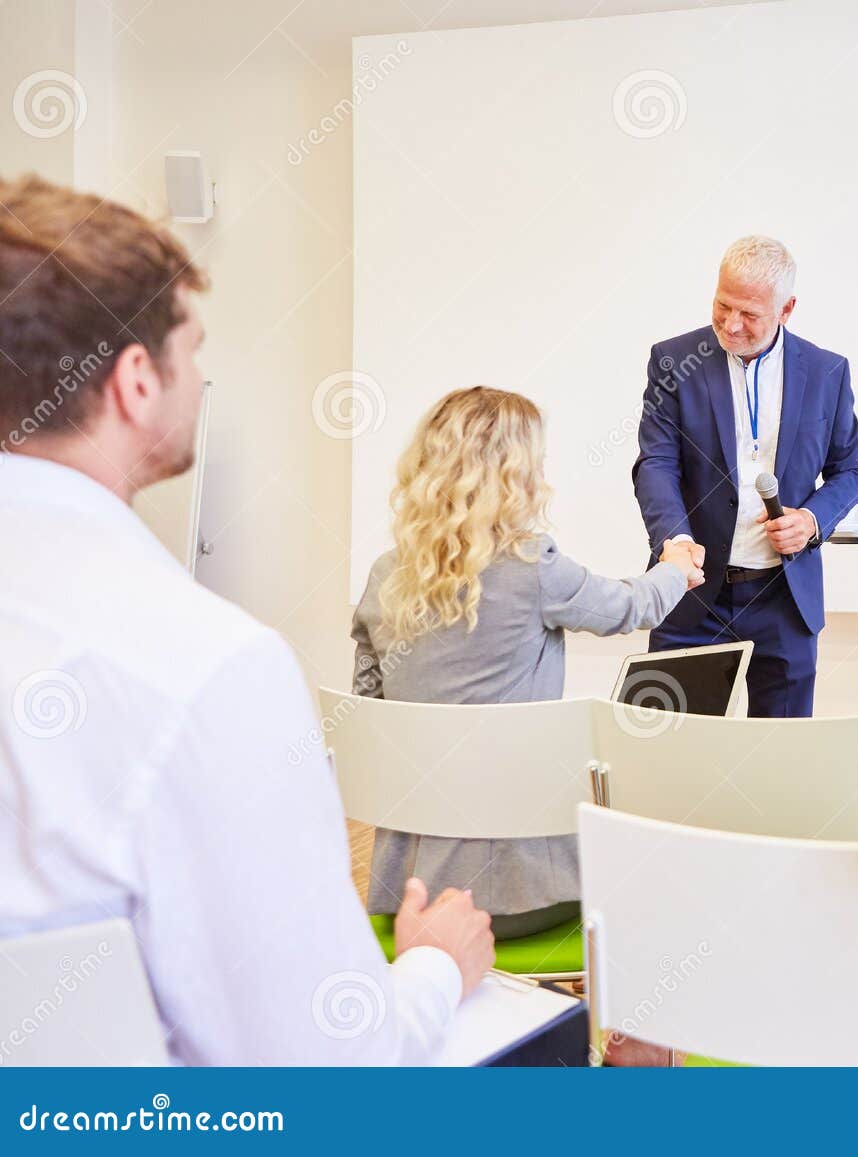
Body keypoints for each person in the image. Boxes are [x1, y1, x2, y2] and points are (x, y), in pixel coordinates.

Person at [0, 174, 493, 1064]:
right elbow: (326, 1074)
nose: (201, 377)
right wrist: (430, 971)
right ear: (137, 382)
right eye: (194, 350)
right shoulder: (205, 668)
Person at [353, 386, 702, 937]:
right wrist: (676, 567)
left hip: (409, 893)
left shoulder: (384, 575)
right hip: (519, 893)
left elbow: (368, 716)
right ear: (516, 474)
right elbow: (630, 607)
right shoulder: (532, 566)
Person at [633, 236, 858, 717]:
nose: (731, 324)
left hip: (785, 598)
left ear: (787, 309)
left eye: (750, 314)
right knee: (667, 756)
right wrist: (672, 541)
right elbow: (656, 462)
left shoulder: (827, 372)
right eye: (723, 305)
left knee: (780, 762)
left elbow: (851, 472)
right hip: (692, 591)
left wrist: (812, 520)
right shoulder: (674, 361)